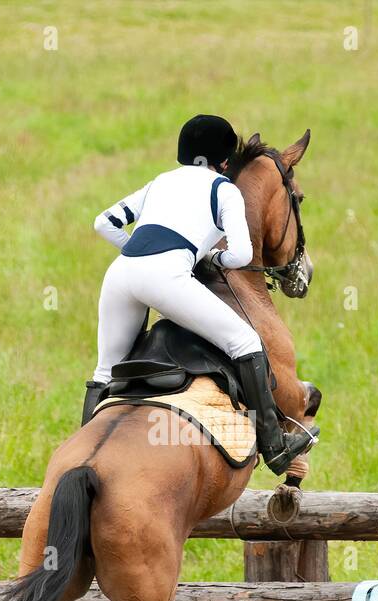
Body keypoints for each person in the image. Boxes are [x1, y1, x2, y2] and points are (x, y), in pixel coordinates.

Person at [85, 114, 315, 475]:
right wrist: (209, 255)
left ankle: (86, 452)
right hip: (166, 278)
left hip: (120, 275)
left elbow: (104, 222)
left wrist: (138, 251)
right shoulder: (224, 188)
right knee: (245, 342)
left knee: (103, 373)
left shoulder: (160, 181)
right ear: (225, 161)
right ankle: (275, 446)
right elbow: (240, 256)